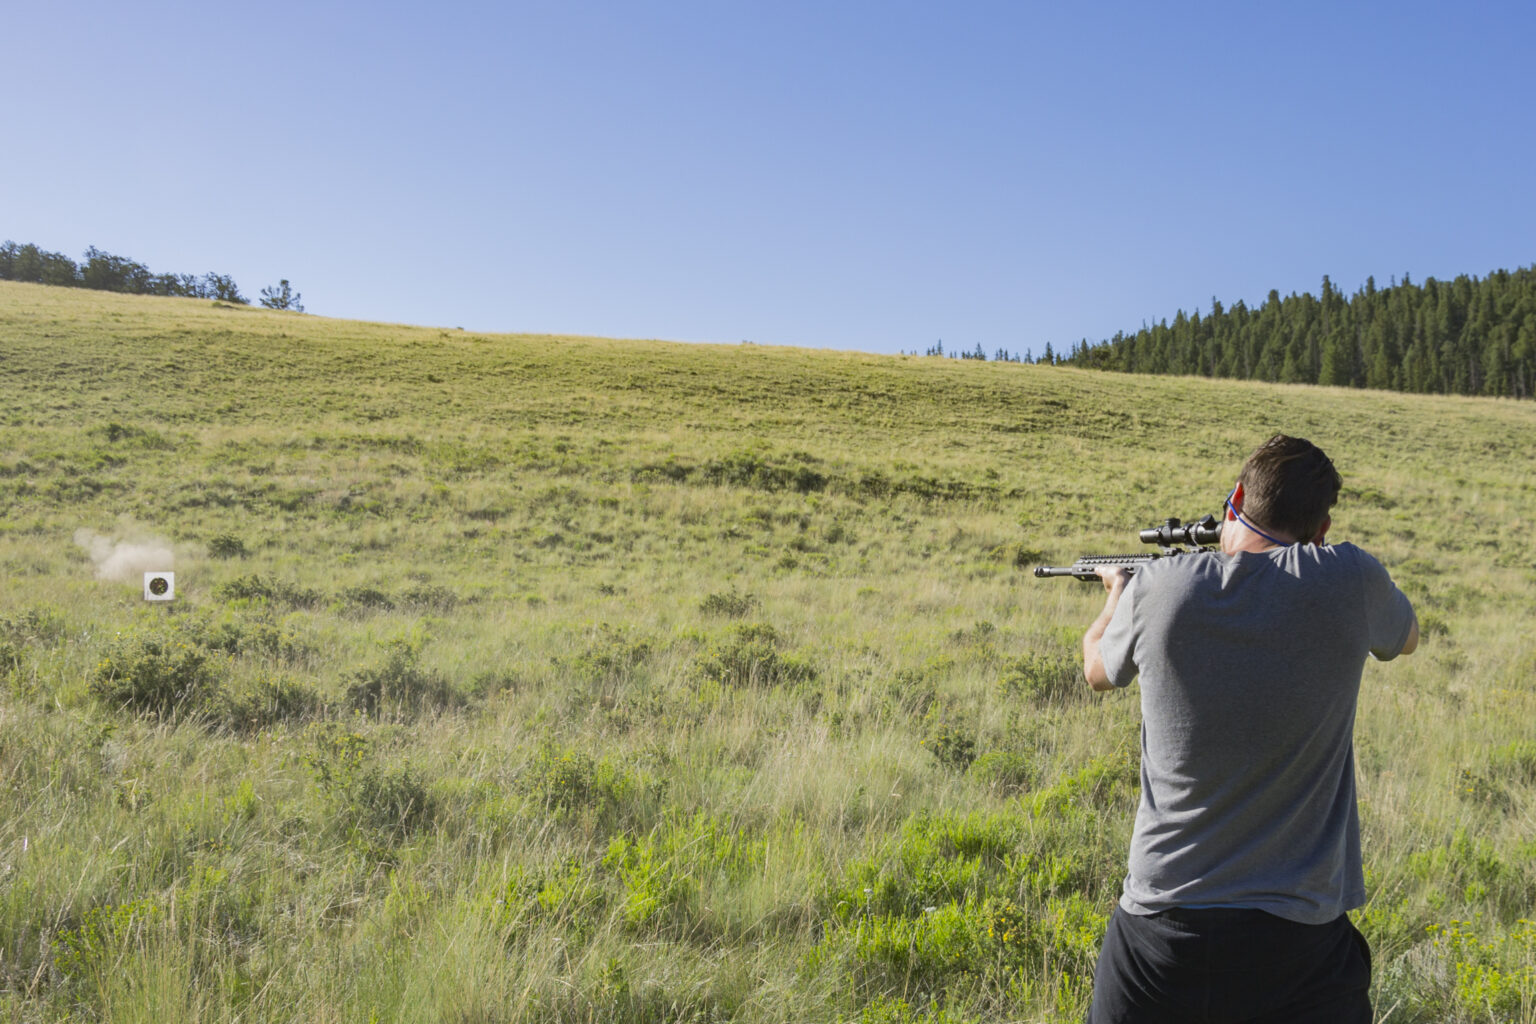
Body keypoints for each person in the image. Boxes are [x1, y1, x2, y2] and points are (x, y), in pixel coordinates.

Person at [1080, 434, 1419, 1024]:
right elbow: (1406, 638)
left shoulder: (1162, 586)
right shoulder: (1350, 579)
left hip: (1164, 932)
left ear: (1238, 496)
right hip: (1303, 942)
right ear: (1322, 527)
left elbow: (1096, 670)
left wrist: (1117, 595)